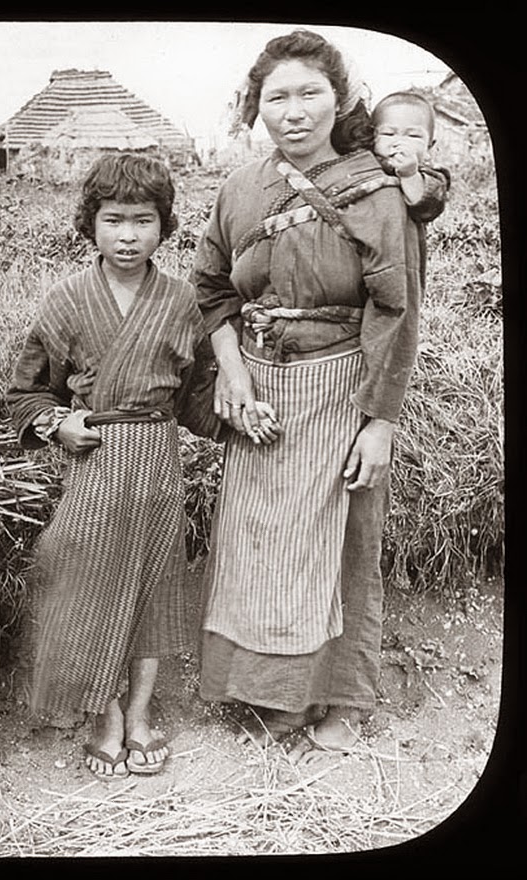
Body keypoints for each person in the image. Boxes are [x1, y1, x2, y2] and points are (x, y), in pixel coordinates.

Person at [7, 153, 280, 781]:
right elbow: (25, 392)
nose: (127, 236)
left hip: (159, 462)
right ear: (90, 225)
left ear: (164, 227)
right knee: (88, 589)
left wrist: (239, 419)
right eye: (113, 221)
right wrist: (56, 423)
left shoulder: (183, 302)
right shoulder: (66, 301)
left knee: (156, 592)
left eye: (143, 221)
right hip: (95, 461)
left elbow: (194, 399)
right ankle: (102, 715)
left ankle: (139, 714)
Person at [190, 30, 422, 763]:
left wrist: (379, 422)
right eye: (275, 97)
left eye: (309, 93)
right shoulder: (240, 189)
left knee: (339, 542)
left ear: (342, 99)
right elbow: (211, 288)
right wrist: (231, 370)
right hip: (257, 388)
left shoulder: (375, 190)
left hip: (343, 383)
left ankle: (337, 703)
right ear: (255, 108)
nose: (293, 112)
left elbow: (397, 309)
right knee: (260, 542)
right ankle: (264, 693)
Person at [371, 90, 451, 285]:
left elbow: (427, 206)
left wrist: (409, 174)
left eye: (413, 136)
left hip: (403, 257)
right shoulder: (364, 168)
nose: (399, 142)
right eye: (388, 133)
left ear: (429, 146)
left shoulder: (430, 176)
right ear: (372, 137)